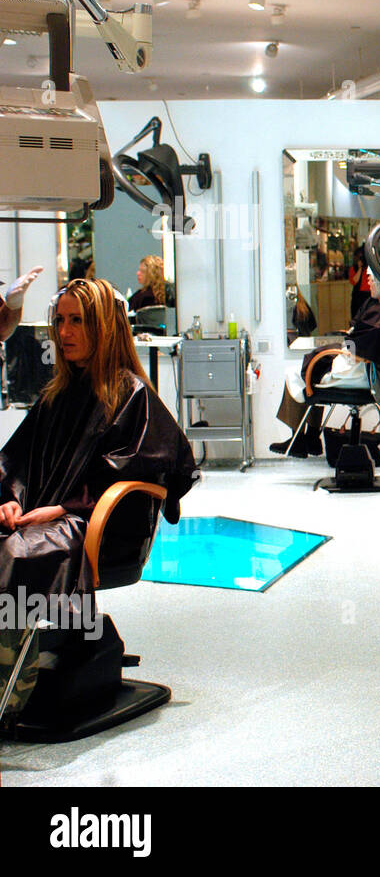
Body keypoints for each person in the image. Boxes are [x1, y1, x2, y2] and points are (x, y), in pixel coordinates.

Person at [0, 278, 196, 716]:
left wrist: (64, 506)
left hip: (91, 528)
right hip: (43, 518)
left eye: (78, 321)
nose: (64, 332)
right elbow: (15, 462)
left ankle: (8, 690)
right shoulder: (57, 396)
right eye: (61, 321)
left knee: (11, 553)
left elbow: (156, 465)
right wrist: (11, 498)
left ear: (105, 326)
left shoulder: (132, 396)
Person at [273, 264, 380, 456]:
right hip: (369, 375)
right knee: (313, 369)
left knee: (299, 373)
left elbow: (360, 353)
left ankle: (301, 439)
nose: (368, 281)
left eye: (372, 278)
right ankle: (310, 439)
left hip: (358, 374)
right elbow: (367, 343)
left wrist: (345, 346)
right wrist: (348, 341)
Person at [348, 247, 372, 321]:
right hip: (358, 297)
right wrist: (360, 268)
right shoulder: (353, 268)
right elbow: (354, 281)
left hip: (368, 296)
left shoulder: (370, 268)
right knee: (356, 317)